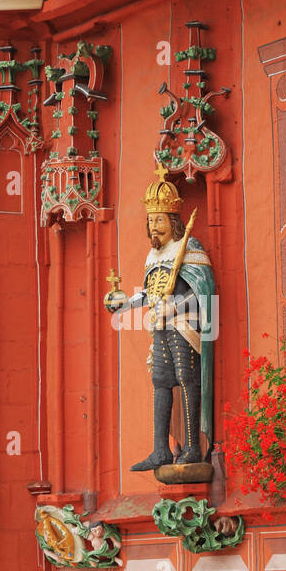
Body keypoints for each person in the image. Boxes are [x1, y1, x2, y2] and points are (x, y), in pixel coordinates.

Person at [107, 166, 217, 471]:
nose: (154, 226)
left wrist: (174, 307)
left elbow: (203, 291)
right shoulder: (153, 256)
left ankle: (194, 446)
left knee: (187, 378)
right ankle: (160, 450)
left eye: (159, 220)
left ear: (173, 221)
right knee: (161, 381)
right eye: (151, 220)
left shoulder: (189, 247)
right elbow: (149, 294)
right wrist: (124, 305)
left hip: (184, 327)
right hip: (159, 326)